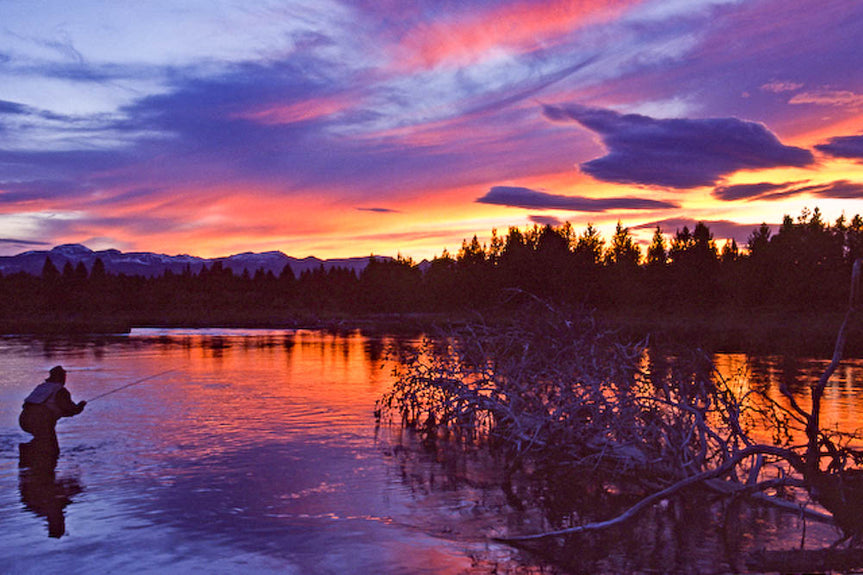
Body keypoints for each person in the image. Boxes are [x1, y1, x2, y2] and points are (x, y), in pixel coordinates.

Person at [19, 366, 86, 458]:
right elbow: (71, 410)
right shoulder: (60, 390)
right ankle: (28, 452)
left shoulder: (42, 387)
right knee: (53, 451)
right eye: (63, 376)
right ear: (60, 377)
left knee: (42, 441)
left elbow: (55, 408)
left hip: (24, 420)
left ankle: (27, 455)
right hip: (40, 422)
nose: (64, 379)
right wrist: (81, 406)